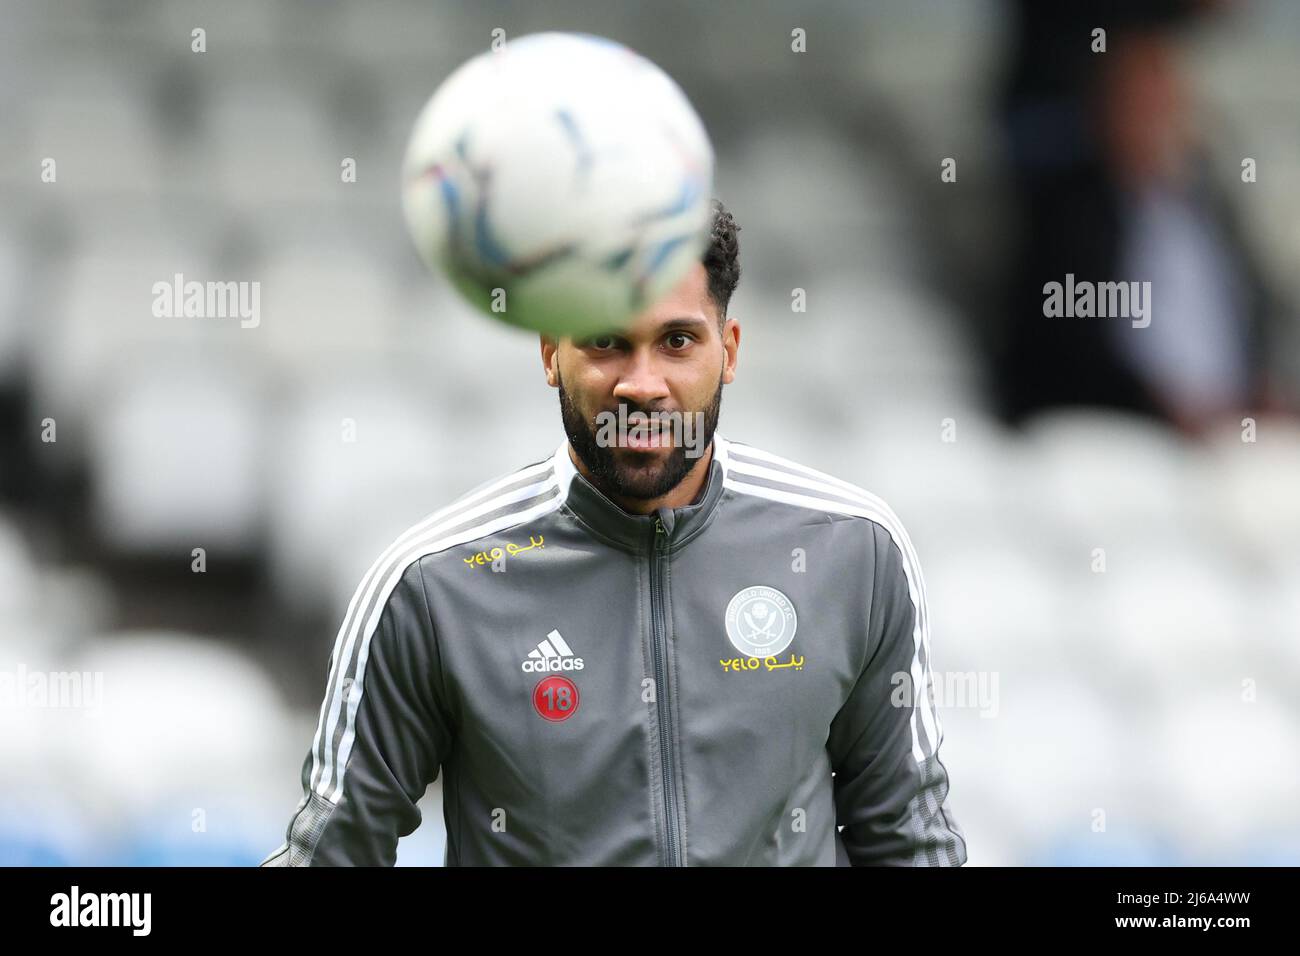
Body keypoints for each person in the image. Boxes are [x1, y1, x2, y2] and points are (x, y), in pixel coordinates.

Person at [261, 200, 967, 866]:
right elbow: (334, 853)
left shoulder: (853, 551)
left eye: (677, 341)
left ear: (729, 350)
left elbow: (907, 839)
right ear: (548, 352)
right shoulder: (433, 586)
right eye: (605, 341)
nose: (642, 382)